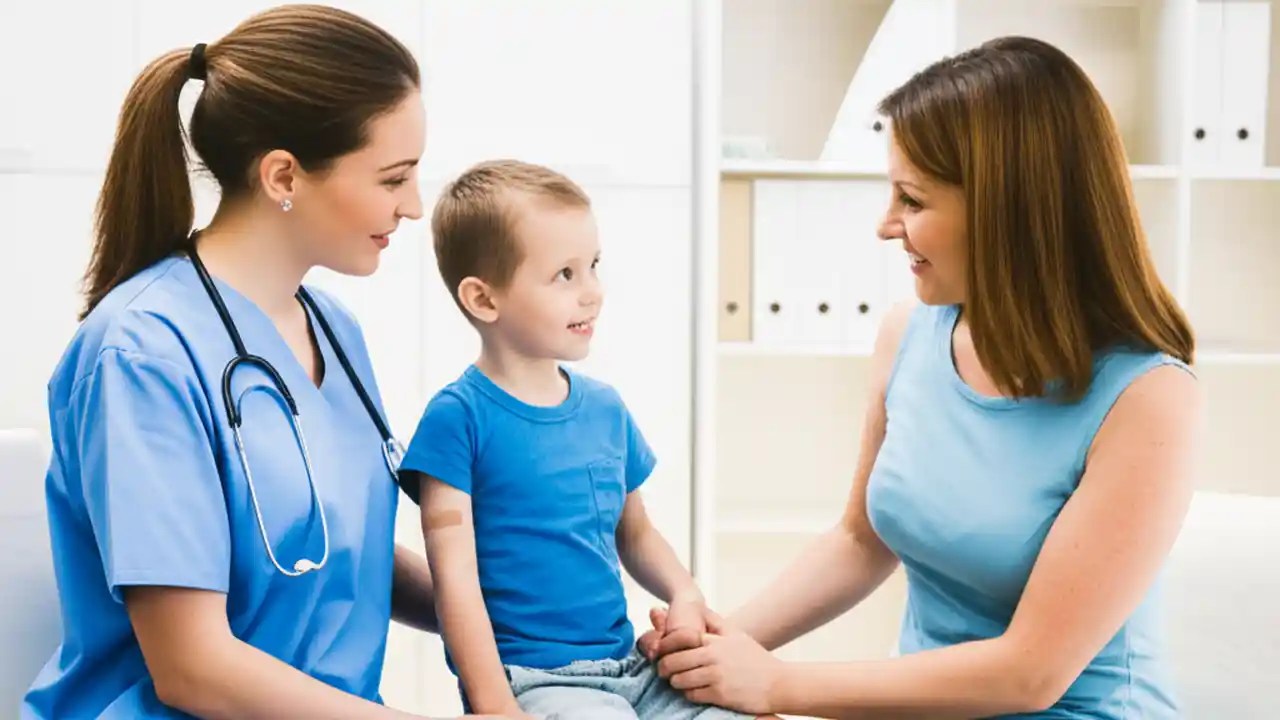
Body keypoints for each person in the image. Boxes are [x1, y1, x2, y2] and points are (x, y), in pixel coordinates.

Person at [639, 36, 1201, 718]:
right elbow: (860, 541)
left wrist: (777, 685)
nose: (885, 225)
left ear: (1006, 208)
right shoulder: (910, 332)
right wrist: (718, 644)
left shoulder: (1147, 398)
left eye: (912, 199)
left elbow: (1031, 673)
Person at [21, 5, 507, 719]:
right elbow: (193, 670)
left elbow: (330, 557)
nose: (413, 206)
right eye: (392, 177)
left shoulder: (331, 328)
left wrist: (532, 622)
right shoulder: (141, 352)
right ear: (283, 174)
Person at [397, 160, 773, 720]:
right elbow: (454, 584)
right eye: (564, 275)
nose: (592, 292)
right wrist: (494, 704)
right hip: (531, 680)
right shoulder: (458, 419)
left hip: (628, 668)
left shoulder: (605, 408)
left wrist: (685, 594)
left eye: (593, 266)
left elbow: (636, 531)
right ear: (483, 300)